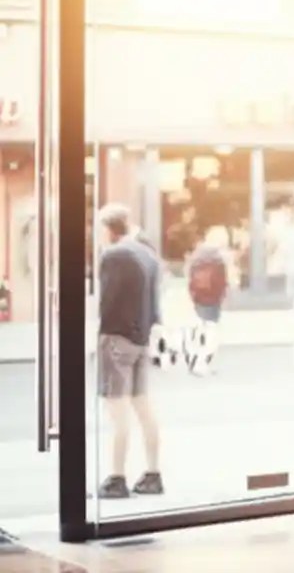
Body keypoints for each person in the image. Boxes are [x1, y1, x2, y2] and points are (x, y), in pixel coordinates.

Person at [95, 203, 164, 499]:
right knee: (143, 406)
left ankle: (116, 477)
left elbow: (107, 301)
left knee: (117, 410)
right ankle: (152, 473)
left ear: (107, 229)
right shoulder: (147, 254)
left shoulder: (113, 255)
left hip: (116, 337)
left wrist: (100, 336)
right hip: (141, 339)